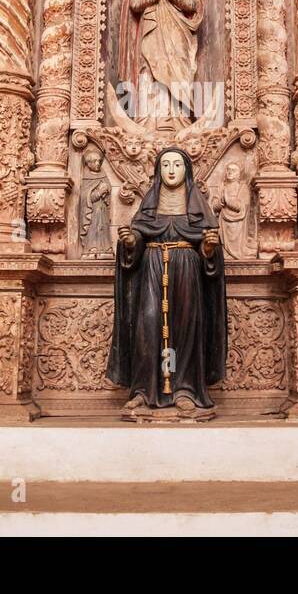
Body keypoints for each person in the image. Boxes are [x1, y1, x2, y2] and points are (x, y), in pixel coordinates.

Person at [107, 149, 227, 417]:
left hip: (187, 271)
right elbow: (137, 240)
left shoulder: (198, 209)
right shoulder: (149, 208)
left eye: (177, 164)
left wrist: (208, 249)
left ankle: (185, 389)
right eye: (165, 165)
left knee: (185, 329)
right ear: (158, 171)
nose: (171, 170)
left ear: (187, 169)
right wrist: (130, 241)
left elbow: (209, 252)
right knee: (147, 327)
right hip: (151, 267)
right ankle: (143, 390)